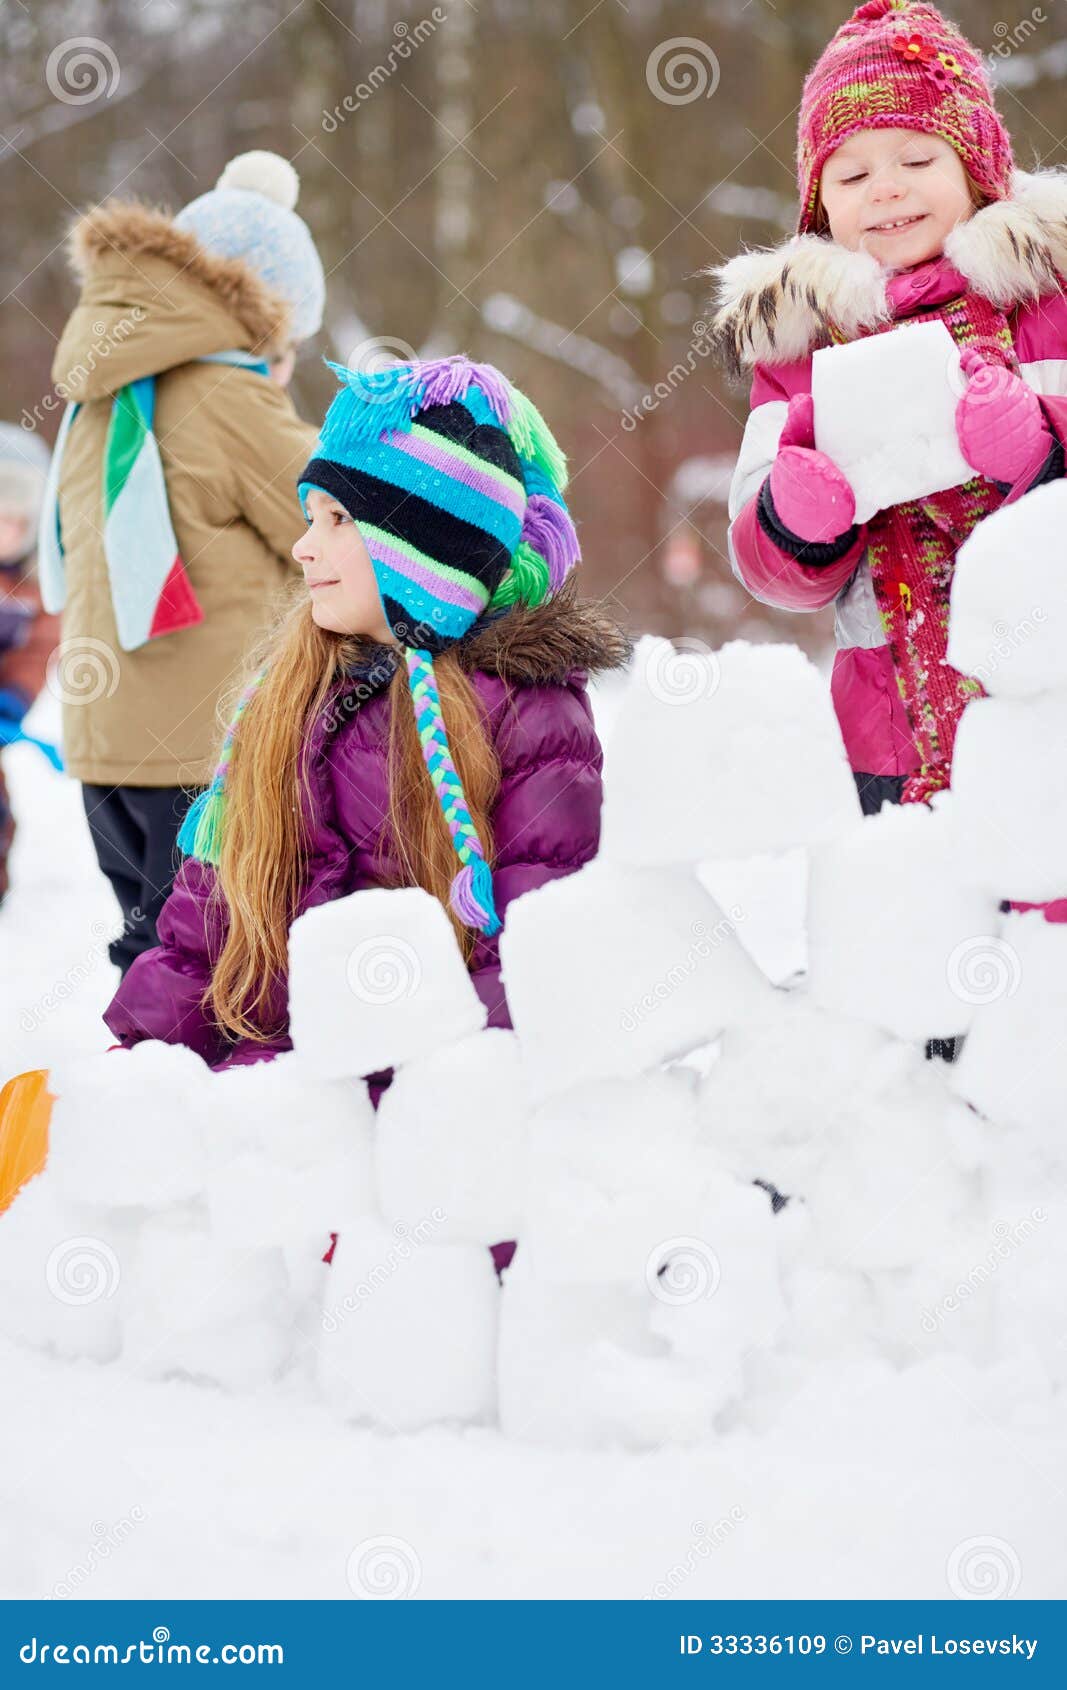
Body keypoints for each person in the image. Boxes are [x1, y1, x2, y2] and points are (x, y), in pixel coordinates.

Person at [102, 355, 631, 1274]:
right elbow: (209, 922)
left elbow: (536, 949)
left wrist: (414, 1119)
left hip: (442, 1124)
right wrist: (141, 1060)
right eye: (310, 518)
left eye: (337, 520)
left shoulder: (530, 714)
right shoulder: (292, 698)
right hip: (295, 1103)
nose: (304, 547)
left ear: (419, 544)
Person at [708, 0, 1067, 825]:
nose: (887, 190)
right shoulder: (799, 350)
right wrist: (796, 518)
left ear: (976, 170)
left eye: (916, 157)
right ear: (818, 205)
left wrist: (1039, 449)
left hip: (1051, 706)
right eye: (852, 173)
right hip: (892, 738)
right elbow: (762, 562)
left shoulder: (1044, 299)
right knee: (918, 929)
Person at [38, 150, 324, 975]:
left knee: (155, 952)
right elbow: (331, 522)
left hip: (107, 751)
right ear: (263, 314)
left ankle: (145, 1086)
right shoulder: (229, 396)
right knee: (224, 962)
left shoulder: (103, 390)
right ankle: (202, 1093)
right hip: (204, 753)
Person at [0, 425, 62, 905]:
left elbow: (40, 647)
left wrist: (14, 698)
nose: (10, 531)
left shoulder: (33, 588)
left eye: (21, 521)